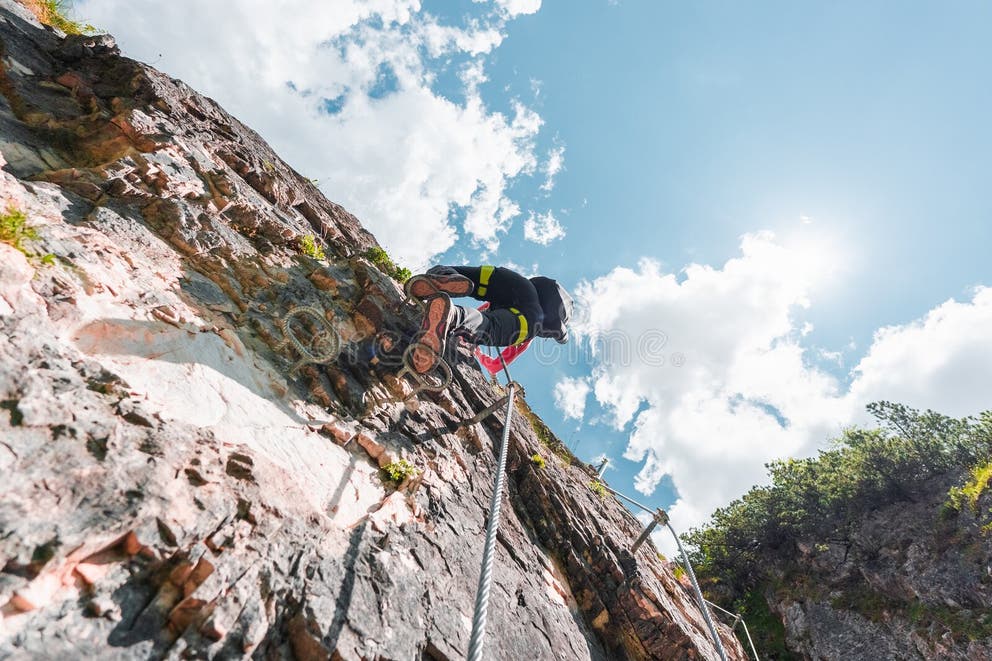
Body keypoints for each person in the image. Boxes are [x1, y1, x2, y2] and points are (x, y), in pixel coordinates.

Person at [405, 265, 573, 373]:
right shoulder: (534, 325)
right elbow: (496, 365)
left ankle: (445, 275)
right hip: (529, 319)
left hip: (515, 283)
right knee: (489, 327)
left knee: (473, 281)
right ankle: (454, 316)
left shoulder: (528, 289)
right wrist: (477, 352)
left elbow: (481, 312)